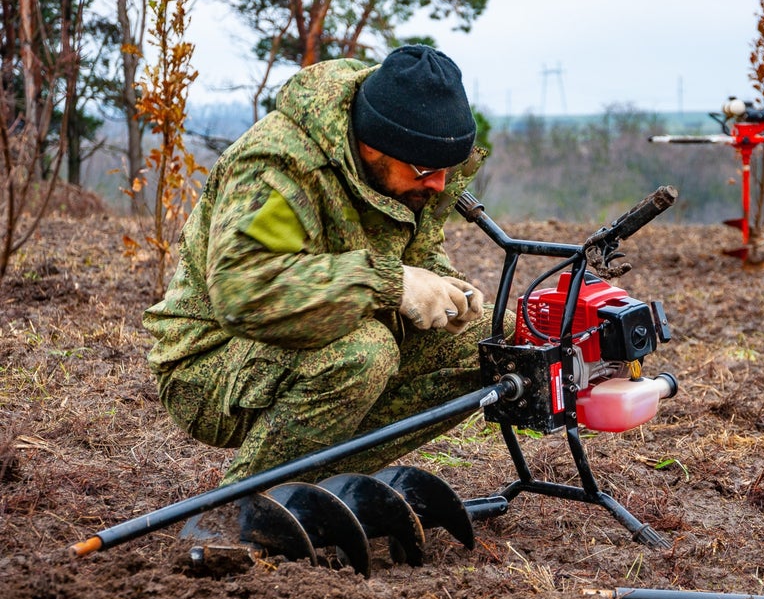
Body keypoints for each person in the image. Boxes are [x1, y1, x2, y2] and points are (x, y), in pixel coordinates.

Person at [143, 44, 505, 489]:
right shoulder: (282, 167)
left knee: (493, 340)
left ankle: (325, 486)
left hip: (326, 333)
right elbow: (246, 291)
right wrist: (389, 282)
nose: (439, 184)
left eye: (448, 169)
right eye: (426, 170)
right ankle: (242, 507)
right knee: (363, 353)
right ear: (372, 146)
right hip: (212, 361)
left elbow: (416, 250)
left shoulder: (412, 168)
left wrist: (440, 285)